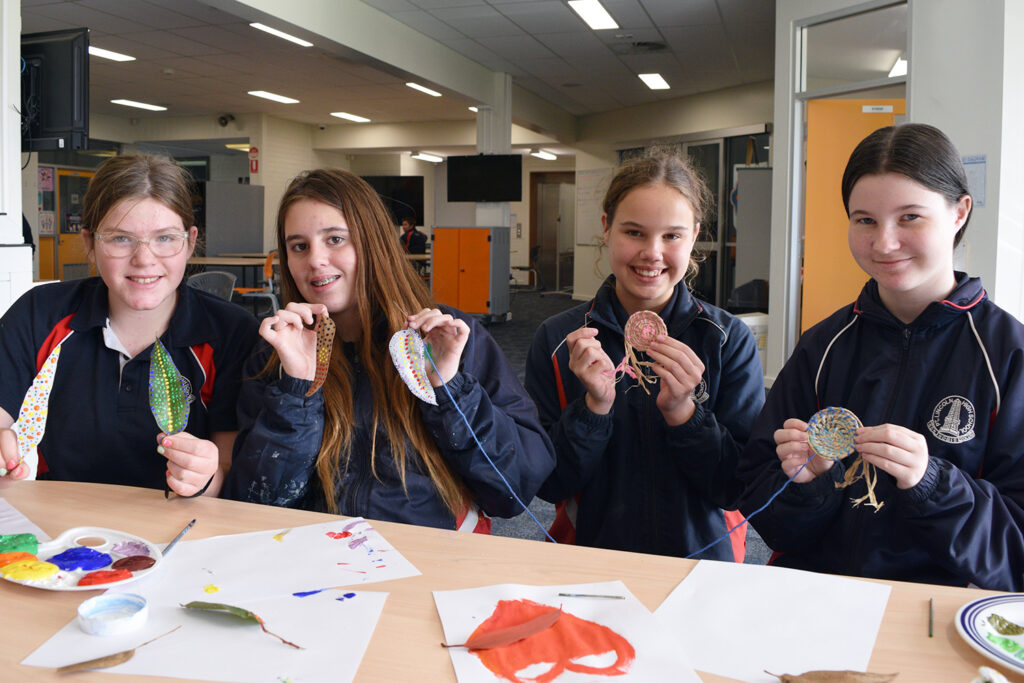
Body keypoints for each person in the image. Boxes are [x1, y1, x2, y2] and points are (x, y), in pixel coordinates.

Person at [737, 123, 1024, 591]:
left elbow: (1015, 553)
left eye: (910, 217)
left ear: (959, 212)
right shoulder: (822, 345)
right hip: (815, 599)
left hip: (934, 612)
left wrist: (931, 483)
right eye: (865, 220)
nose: (884, 243)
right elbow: (765, 511)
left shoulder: (1008, 357)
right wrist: (808, 482)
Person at [223, 169, 555, 532]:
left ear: (374, 243)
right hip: (316, 555)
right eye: (299, 246)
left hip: (428, 554)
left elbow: (515, 491)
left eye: (335, 239)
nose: (315, 260)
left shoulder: (448, 338)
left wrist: (448, 389)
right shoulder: (276, 353)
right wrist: (297, 391)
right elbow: (255, 503)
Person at [524, 150, 765, 559]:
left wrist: (685, 414)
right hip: (590, 559)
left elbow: (737, 486)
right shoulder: (560, 339)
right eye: (634, 232)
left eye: (672, 236)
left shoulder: (726, 341)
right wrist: (593, 410)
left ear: (694, 236)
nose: (652, 252)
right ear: (606, 227)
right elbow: (549, 484)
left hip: (701, 564)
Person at [0, 155, 258, 496]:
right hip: (62, 521)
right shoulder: (40, 313)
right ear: (90, 243)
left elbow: (228, 471)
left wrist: (205, 478)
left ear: (190, 242)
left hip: (184, 522)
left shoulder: (231, 332)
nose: (144, 259)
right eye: (121, 238)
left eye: (165, 238)